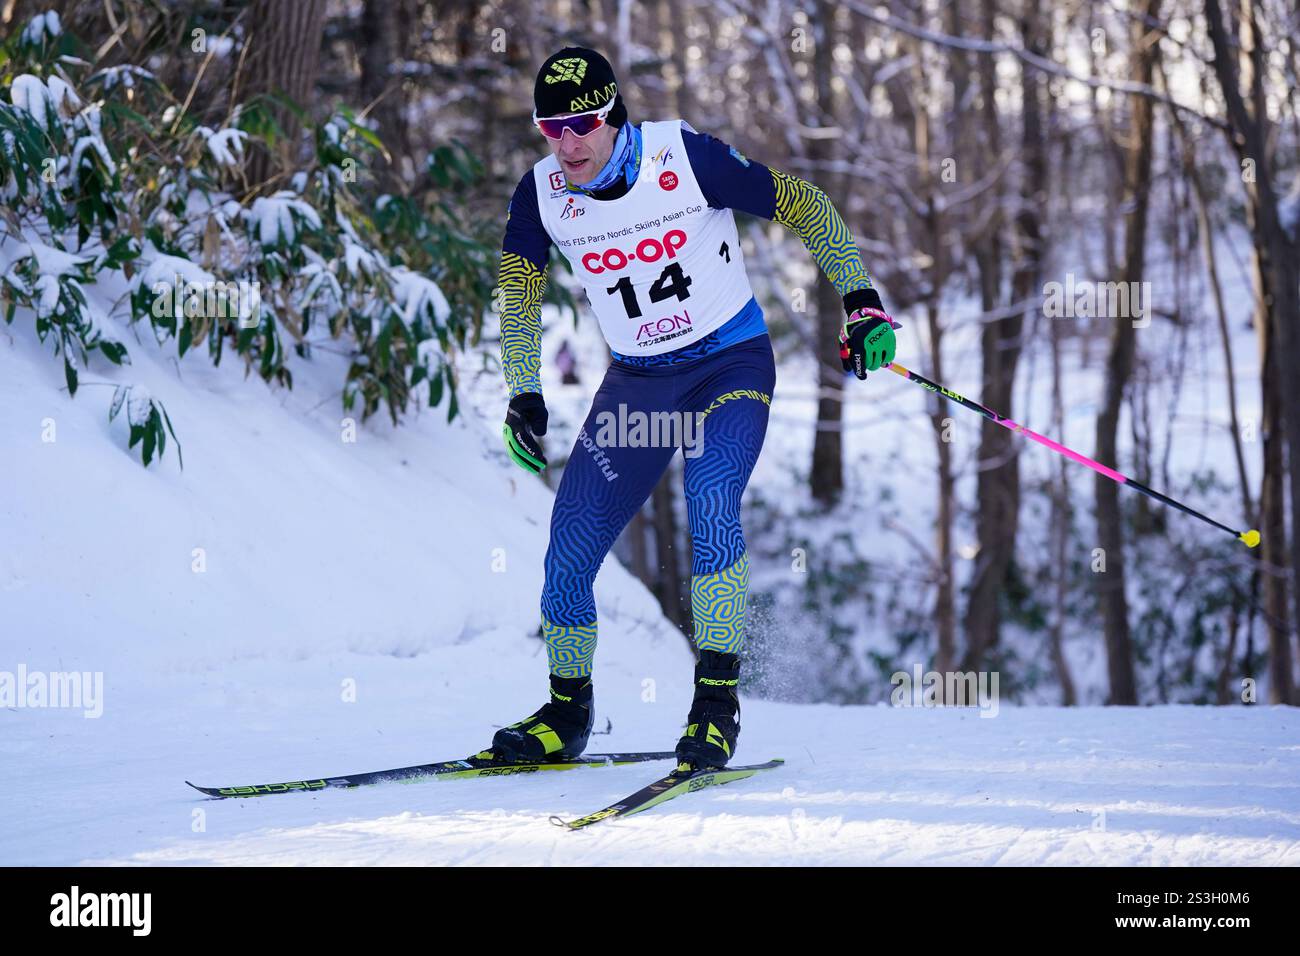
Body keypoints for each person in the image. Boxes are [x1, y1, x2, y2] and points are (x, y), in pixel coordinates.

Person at [493, 47, 895, 770]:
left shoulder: (683, 156)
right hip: (641, 387)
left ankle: (714, 707)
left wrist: (860, 300)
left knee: (711, 496)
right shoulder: (542, 192)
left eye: (583, 123)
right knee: (569, 547)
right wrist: (524, 389)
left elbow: (804, 203)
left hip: (729, 366)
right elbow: (518, 290)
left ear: (614, 115)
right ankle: (567, 712)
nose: (568, 143)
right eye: (551, 128)